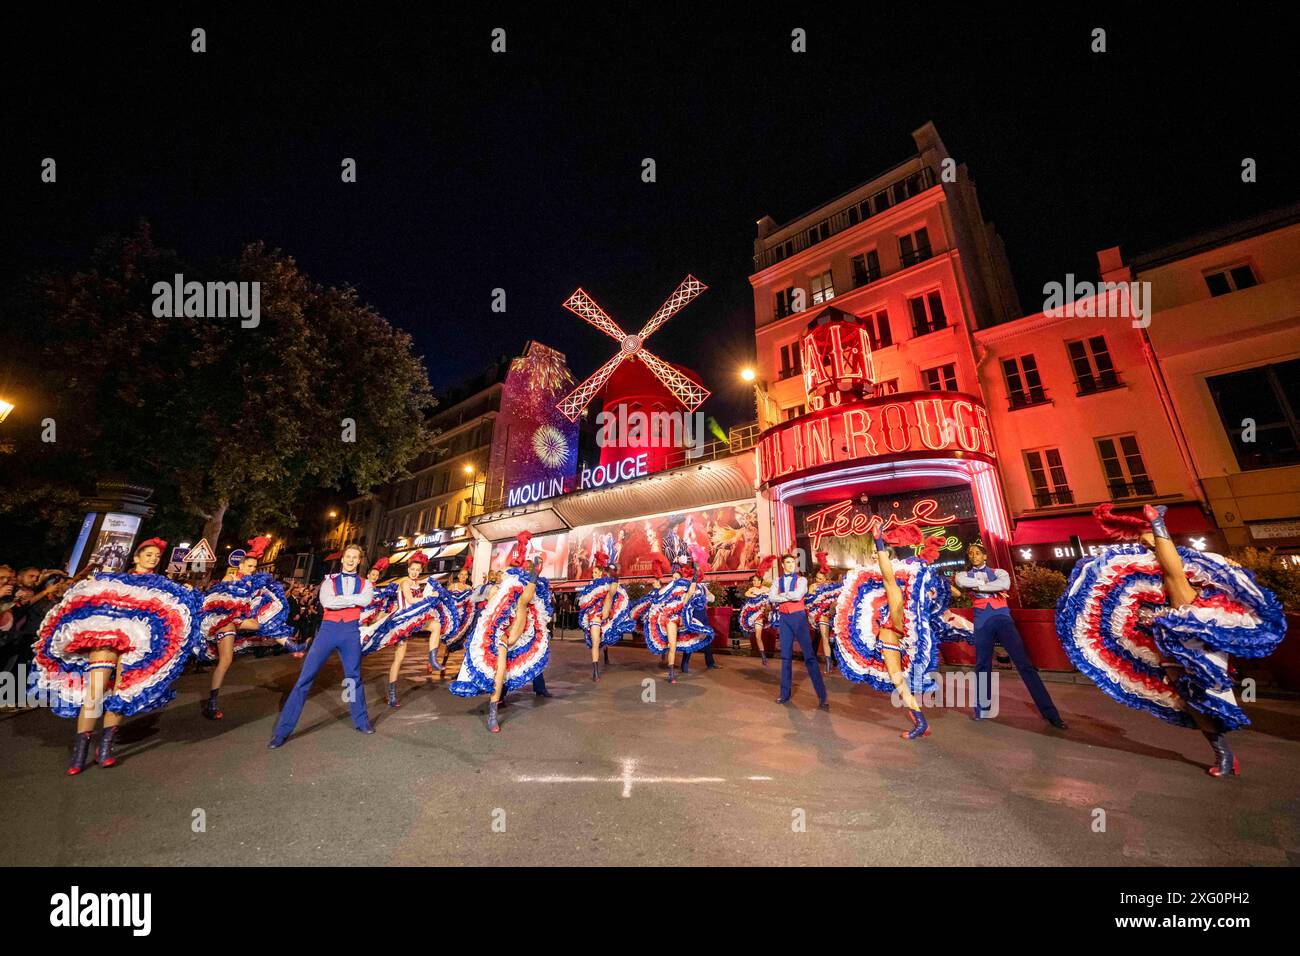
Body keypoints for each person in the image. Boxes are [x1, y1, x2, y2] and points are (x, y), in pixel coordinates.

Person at [1058, 504, 1286, 776]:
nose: (1145, 546)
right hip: (1165, 643)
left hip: (1193, 625)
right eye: (1142, 542)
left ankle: (1159, 522)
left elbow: (1174, 571)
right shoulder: (1135, 578)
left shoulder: (1186, 573)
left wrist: (1155, 525)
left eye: (1151, 541)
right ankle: (1223, 752)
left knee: (1207, 690)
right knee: (1192, 701)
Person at [28, 539, 200, 774]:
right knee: (95, 690)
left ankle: (105, 746)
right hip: (107, 638)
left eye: (156, 556)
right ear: (136, 558)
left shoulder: (164, 586)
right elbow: (89, 601)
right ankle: (80, 751)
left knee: (122, 691)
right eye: (148, 554)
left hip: (139, 646)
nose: (152, 558)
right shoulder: (114, 581)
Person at [269, 543, 375, 748]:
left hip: (351, 632)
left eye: (355, 557)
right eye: (348, 557)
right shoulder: (329, 581)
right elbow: (327, 603)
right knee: (305, 678)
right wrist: (353, 601)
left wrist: (343, 600)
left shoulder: (365, 583)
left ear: (359, 561)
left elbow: (366, 600)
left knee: (353, 679)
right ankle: (282, 731)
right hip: (327, 631)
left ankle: (361, 721)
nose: (352, 560)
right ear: (342, 559)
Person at [954, 542, 1066, 729]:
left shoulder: (1000, 572)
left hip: (1003, 618)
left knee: (1024, 664)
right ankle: (982, 709)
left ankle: (1051, 713)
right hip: (981, 621)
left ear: (984, 556)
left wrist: (979, 586)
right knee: (982, 665)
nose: (973, 556)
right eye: (970, 553)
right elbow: (963, 583)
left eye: (977, 553)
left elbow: (1004, 584)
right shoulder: (962, 575)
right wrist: (991, 587)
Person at [449, 533, 551, 733]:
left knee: (522, 603)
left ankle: (534, 576)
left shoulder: (515, 590)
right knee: (500, 669)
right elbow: (481, 604)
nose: (503, 577)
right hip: (498, 635)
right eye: (502, 575)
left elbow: (529, 604)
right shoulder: (493, 590)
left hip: (518, 628)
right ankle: (493, 712)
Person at [195, 536, 295, 720]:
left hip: (239, 621)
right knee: (225, 660)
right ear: (240, 566)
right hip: (224, 621)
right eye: (249, 567)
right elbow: (219, 602)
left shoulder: (252, 584)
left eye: (254, 568)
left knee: (263, 624)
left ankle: (291, 645)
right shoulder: (230, 577)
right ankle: (212, 702)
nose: (252, 570)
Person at [359, 551, 458, 707]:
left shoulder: (417, 584)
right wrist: (428, 597)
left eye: (418, 570)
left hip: (413, 620)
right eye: (413, 569)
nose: (415, 572)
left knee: (436, 625)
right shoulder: (405, 582)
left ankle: (432, 659)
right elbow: (411, 600)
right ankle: (392, 695)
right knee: (398, 659)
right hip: (401, 622)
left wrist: (430, 596)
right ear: (408, 569)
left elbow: (417, 603)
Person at [768, 553, 829, 710]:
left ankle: (822, 696)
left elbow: (797, 596)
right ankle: (784, 694)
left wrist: (782, 596)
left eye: (792, 563)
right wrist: (786, 597)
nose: (790, 565)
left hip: (798, 618)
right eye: (787, 563)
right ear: (782, 565)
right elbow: (771, 597)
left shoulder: (801, 580)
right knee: (785, 657)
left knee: (809, 656)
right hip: (784, 619)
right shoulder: (777, 581)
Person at [647, 547, 712, 685]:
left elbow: (692, 590)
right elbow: (658, 595)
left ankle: (684, 664)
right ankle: (671, 673)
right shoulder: (669, 588)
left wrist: (695, 574)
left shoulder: (686, 589)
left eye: (678, 576)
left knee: (690, 636)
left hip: (683, 618)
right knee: (672, 646)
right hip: (671, 618)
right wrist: (659, 587)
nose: (675, 579)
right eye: (674, 576)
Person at [578, 551, 631, 681]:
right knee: (596, 642)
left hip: (606, 613)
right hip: (594, 616)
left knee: (604, 638)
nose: (593, 575)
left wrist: (614, 576)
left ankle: (606, 653)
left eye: (596, 573)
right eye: (593, 573)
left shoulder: (606, 584)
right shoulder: (590, 587)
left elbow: (612, 593)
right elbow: (584, 602)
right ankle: (595, 671)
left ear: (601, 573)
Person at [805, 554, 841, 674]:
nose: (817, 580)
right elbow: (809, 602)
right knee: (824, 639)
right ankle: (828, 664)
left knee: (834, 640)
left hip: (834, 617)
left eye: (820, 579)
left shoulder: (832, 587)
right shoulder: (813, 587)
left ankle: (835, 660)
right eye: (817, 578)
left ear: (826, 579)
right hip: (821, 616)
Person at [739, 560, 776, 665]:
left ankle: (763, 656)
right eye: (753, 581)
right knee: (757, 637)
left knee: (759, 635)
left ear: (760, 581)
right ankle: (763, 656)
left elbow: (771, 598)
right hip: (753, 616)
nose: (754, 582)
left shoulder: (766, 589)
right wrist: (753, 595)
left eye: (756, 580)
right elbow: (747, 593)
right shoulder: (752, 589)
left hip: (762, 615)